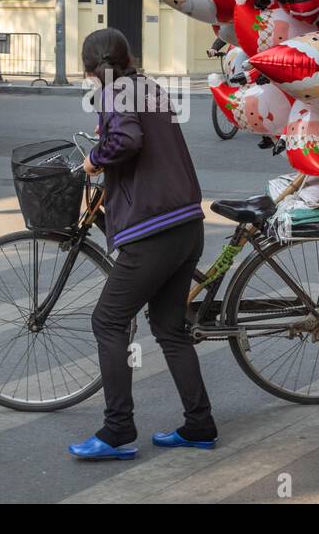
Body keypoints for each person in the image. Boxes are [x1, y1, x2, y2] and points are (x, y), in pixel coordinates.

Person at [68, 28, 218, 461]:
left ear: (92, 67)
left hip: (154, 230)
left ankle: (117, 431)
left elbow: (128, 141)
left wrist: (95, 160)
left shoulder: (116, 91)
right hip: (186, 224)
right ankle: (199, 425)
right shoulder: (148, 87)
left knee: (108, 322)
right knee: (170, 328)